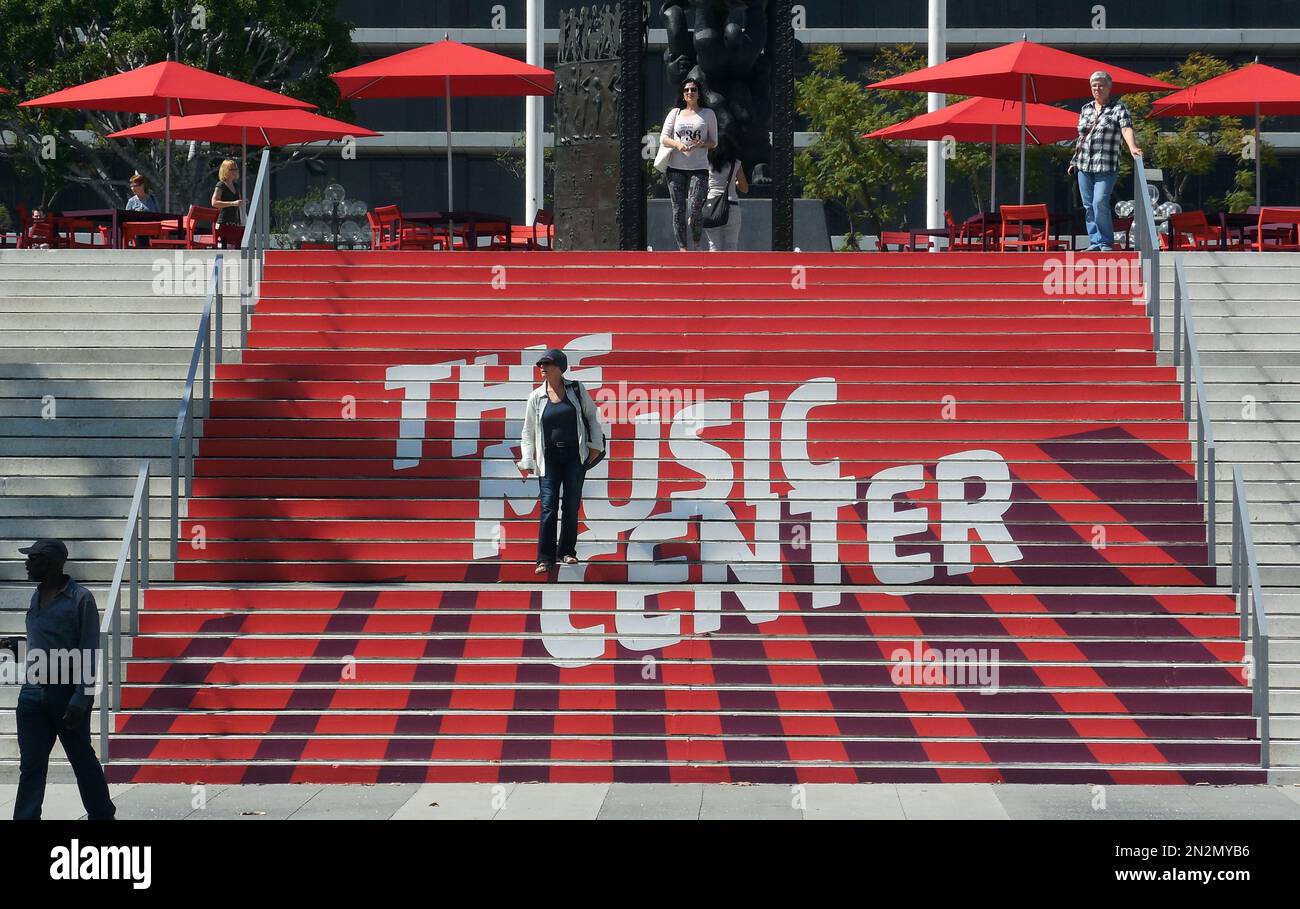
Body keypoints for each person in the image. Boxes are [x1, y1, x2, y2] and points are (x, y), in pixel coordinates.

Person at [6, 539, 116, 820]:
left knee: (81, 760)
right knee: (31, 765)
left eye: (34, 559)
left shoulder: (81, 598)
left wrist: (81, 697)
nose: (27, 564)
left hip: (66, 693)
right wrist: (15, 644)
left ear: (53, 563)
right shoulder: (36, 594)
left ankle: (103, 816)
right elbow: (43, 644)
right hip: (32, 692)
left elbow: (90, 650)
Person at [517, 349, 605, 573]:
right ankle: (545, 558)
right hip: (549, 459)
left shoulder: (576, 389)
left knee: (571, 505)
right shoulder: (535, 397)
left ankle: (567, 551)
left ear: (560, 367)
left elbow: (592, 417)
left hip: (574, 457)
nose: (542, 368)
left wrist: (595, 446)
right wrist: (527, 460)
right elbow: (528, 432)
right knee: (548, 507)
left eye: (547, 364)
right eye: (540, 364)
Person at [1069, 70, 1143, 252]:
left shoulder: (1119, 108)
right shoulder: (1085, 109)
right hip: (1084, 164)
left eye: (1101, 85)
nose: (1097, 88)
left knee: (1099, 201)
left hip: (1106, 164)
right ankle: (1095, 241)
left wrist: (1132, 146)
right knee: (1088, 205)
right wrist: (1073, 161)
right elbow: (1081, 137)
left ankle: (1105, 242)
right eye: (1094, 86)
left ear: (1109, 88)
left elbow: (1126, 129)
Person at [659, 77, 718, 251]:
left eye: (693, 89)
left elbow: (714, 142)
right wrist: (677, 144)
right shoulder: (675, 113)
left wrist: (702, 144)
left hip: (699, 168)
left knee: (694, 207)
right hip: (675, 168)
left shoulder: (708, 114)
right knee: (678, 209)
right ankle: (683, 248)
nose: (690, 92)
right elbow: (663, 138)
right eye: (686, 90)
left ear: (699, 93)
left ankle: (697, 243)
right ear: (682, 95)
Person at [703, 133, 749, 252]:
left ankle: (714, 270)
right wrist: (737, 184)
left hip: (711, 206)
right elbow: (745, 188)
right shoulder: (736, 163)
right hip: (731, 205)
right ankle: (730, 270)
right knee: (731, 246)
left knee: (713, 245)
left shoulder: (705, 163)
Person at [211, 159, 243, 226]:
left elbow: (238, 203)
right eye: (232, 169)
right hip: (223, 223)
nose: (235, 171)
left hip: (235, 223)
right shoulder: (221, 185)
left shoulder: (236, 185)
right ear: (225, 171)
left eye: (236, 169)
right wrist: (233, 203)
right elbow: (214, 203)